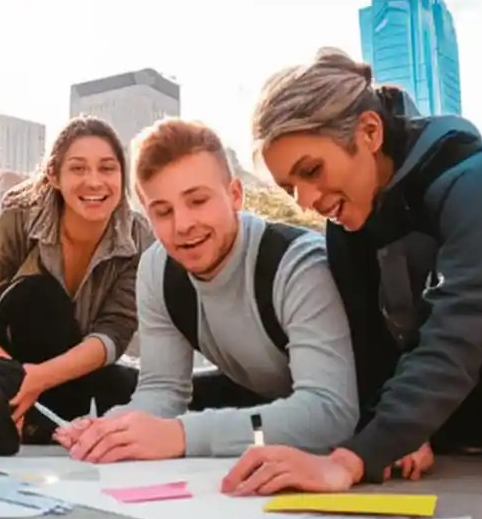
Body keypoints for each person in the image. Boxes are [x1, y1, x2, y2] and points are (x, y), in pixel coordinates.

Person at [221, 48, 482, 496]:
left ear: (370, 131)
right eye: (289, 187)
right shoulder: (350, 226)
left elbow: (455, 332)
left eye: (312, 171)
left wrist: (351, 461)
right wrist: (394, 433)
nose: (305, 200)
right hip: (472, 430)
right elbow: (370, 353)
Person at [58, 119, 359, 462]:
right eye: (163, 211)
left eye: (198, 201)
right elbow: (162, 392)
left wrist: (183, 436)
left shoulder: (297, 264)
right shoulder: (157, 269)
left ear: (235, 195)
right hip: (265, 405)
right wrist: (110, 430)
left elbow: (331, 416)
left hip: (373, 426)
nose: (183, 225)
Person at [0, 117, 152, 438]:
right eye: (78, 168)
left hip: (72, 370)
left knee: (141, 388)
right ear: (54, 175)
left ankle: (44, 422)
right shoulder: (20, 214)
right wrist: (18, 380)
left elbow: (114, 334)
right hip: (5, 363)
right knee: (38, 295)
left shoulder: (138, 237)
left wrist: (40, 379)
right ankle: (22, 417)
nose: (94, 182)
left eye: (107, 168)